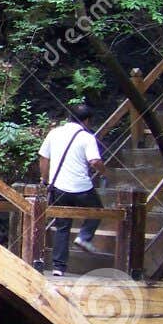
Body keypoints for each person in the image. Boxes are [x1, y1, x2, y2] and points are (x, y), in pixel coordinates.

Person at [38, 104, 103, 277]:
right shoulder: (87, 137)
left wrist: (45, 180)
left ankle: (59, 268)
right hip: (82, 188)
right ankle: (84, 237)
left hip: (58, 188)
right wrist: (104, 171)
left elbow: (44, 158)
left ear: (69, 117)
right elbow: (95, 161)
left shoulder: (54, 133)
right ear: (87, 120)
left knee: (62, 226)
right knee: (97, 211)